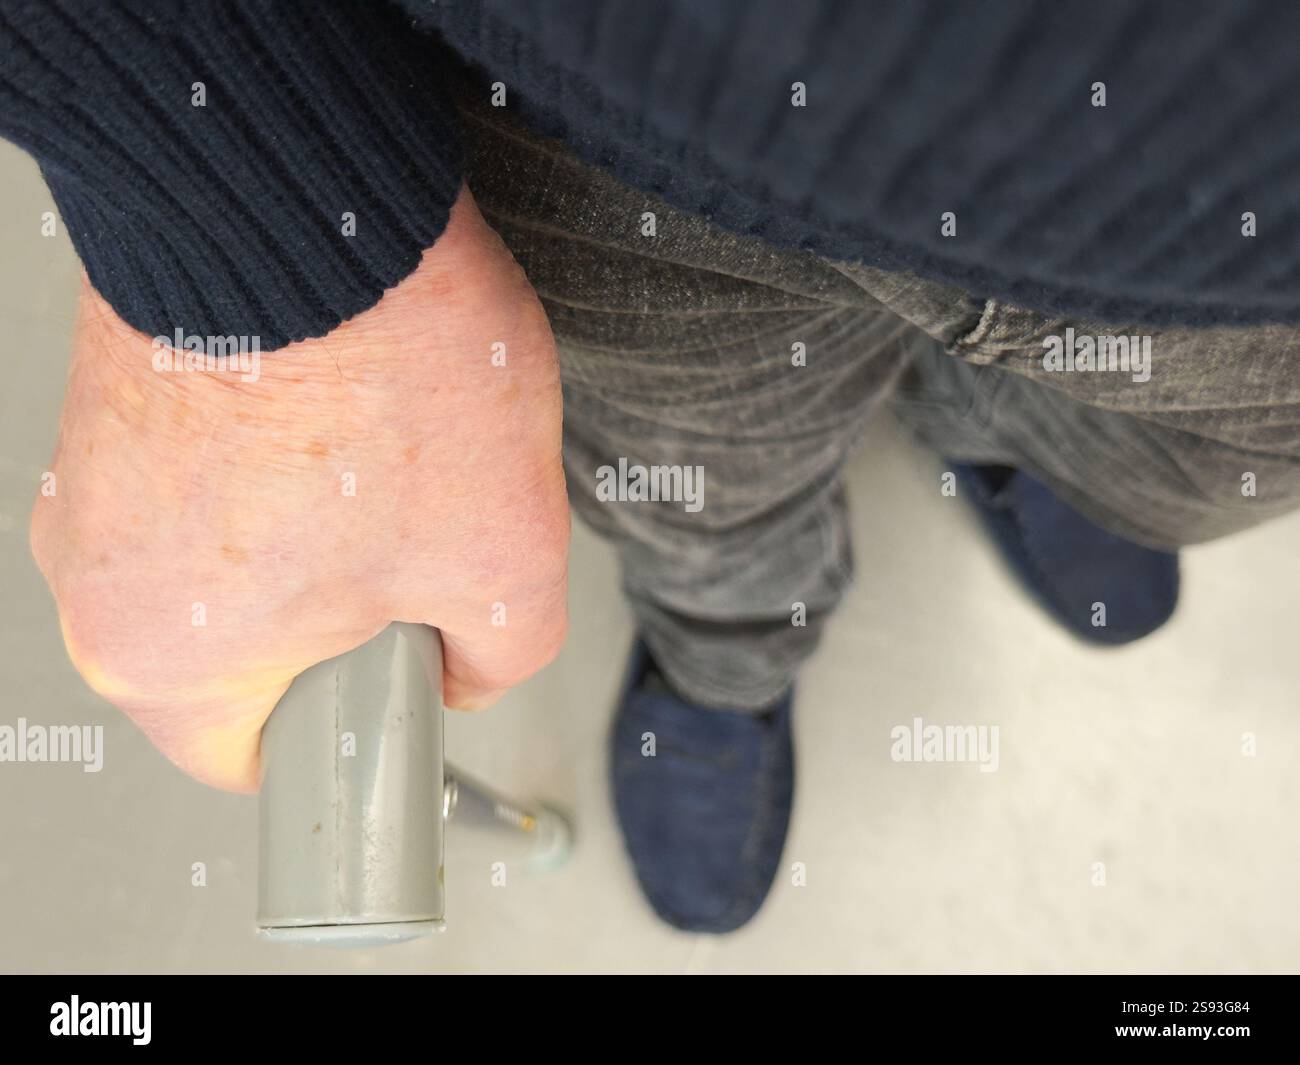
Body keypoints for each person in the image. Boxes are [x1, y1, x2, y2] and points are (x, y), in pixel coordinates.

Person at [5, 0, 1299, 933]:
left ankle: (994, 438)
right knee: (700, 491)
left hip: (1243, 256)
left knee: (1166, 471)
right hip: (637, 120)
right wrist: (233, 216)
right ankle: (725, 657)